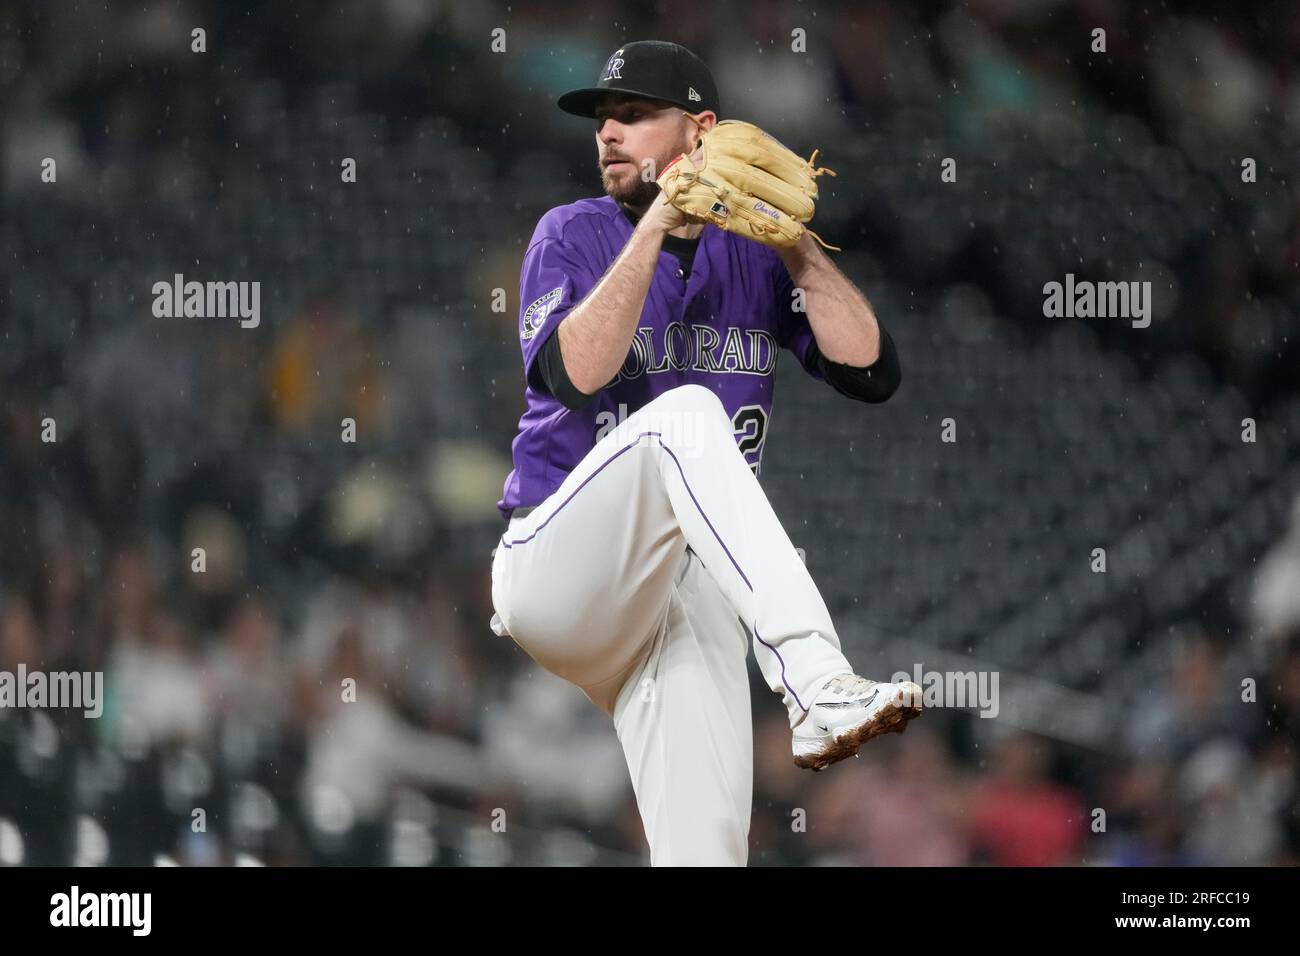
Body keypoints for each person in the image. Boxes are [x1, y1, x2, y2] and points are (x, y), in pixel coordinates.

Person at [489, 40, 920, 866]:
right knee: (686, 418)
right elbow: (574, 377)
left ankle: (813, 690)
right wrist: (658, 220)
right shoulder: (572, 234)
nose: (608, 132)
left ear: (702, 132)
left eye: (635, 114)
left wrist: (796, 241)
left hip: (675, 601)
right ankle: (815, 681)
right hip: (559, 566)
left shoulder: (754, 254)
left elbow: (873, 371)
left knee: (710, 851)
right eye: (603, 118)